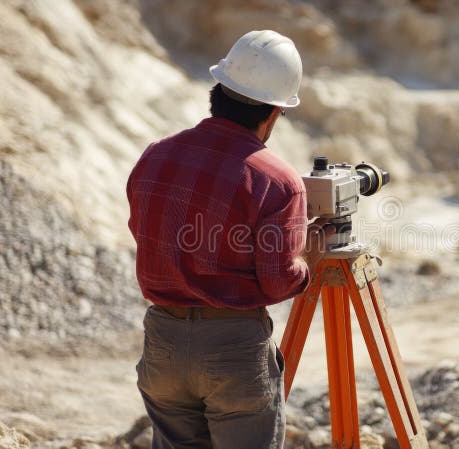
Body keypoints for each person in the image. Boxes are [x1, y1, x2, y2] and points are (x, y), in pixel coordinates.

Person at [126, 30, 327, 449]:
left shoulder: (155, 156)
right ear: (274, 113)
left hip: (162, 341)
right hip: (233, 350)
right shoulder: (278, 181)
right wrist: (309, 258)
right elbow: (279, 281)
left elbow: (147, 234)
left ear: (218, 91)